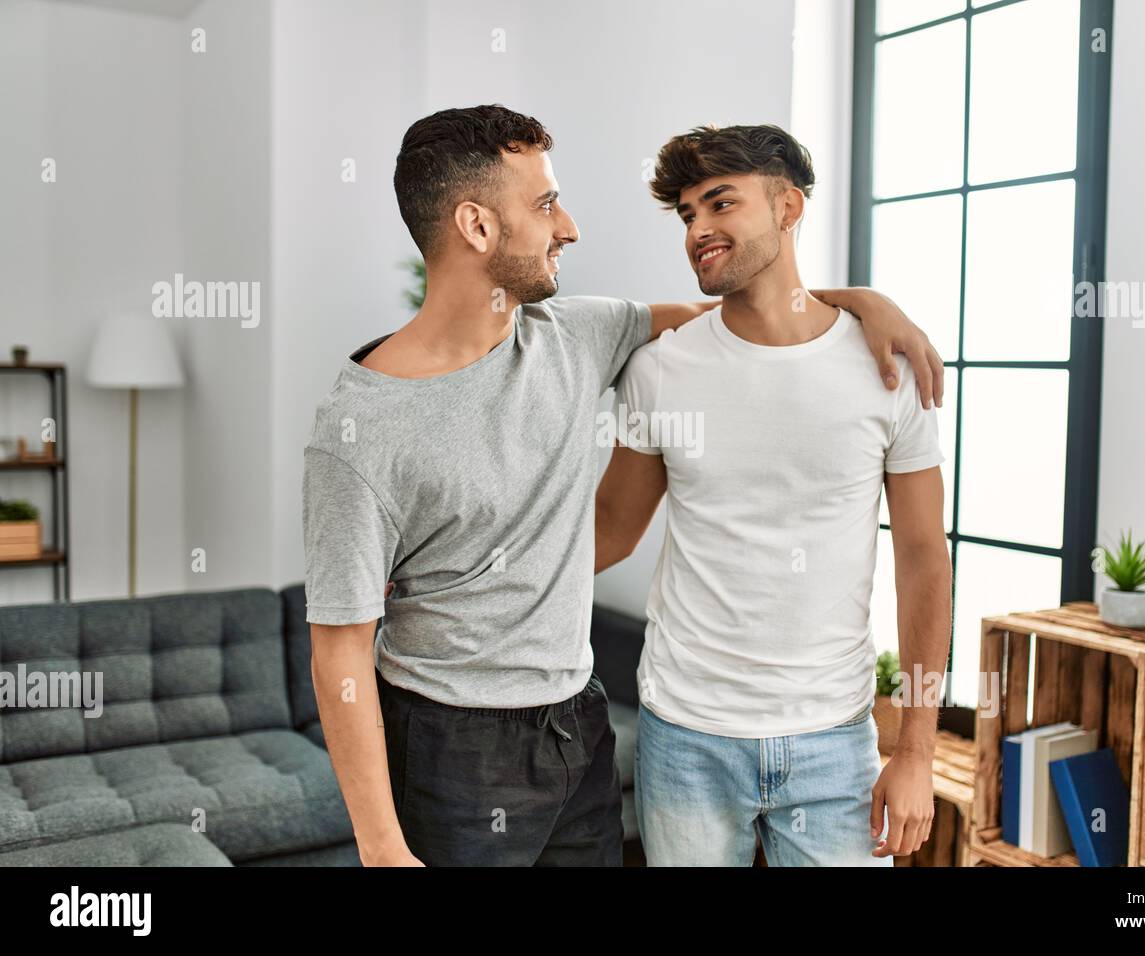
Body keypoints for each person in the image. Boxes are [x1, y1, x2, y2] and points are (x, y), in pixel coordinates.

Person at [302, 105, 943, 866]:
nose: (568, 226)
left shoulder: (577, 335)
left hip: (583, 725)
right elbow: (338, 651)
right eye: (545, 205)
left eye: (720, 202)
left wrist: (865, 302)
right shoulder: (361, 427)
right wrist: (380, 848)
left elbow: (748, 318)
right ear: (476, 226)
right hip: (456, 740)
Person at [594, 123, 953, 866]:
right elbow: (610, 528)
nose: (698, 229)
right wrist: (475, 576)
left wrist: (917, 749)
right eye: (687, 214)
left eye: (720, 204)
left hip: (835, 739)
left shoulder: (886, 365)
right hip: (685, 734)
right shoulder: (663, 369)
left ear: (788, 207)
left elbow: (924, 558)